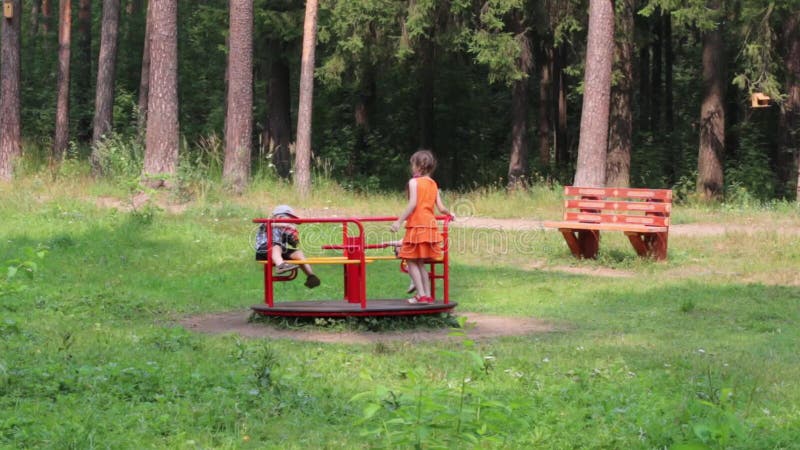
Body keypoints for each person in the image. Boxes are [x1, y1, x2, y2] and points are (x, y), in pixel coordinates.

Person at [390, 150, 453, 304]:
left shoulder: (414, 182)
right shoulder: (433, 183)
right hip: (430, 226)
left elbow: (412, 205)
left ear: (419, 165)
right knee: (420, 263)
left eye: (413, 164)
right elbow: (440, 207)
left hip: (417, 226)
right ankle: (427, 295)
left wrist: (399, 221)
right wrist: (451, 214)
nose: (412, 168)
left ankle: (421, 295)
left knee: (411, 261)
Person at [255, 205, 320, 289]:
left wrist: (293, 239)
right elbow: (266, 225)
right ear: (279, 216)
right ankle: (281, 266)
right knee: (275, 245)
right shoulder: (267, 222)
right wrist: (285, 225)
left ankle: (311, 276)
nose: (290, 222)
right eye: (289, 219)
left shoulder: (283, 230)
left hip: (279, 251)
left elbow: (292, 243)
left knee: (298, 253)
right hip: (263, 250)